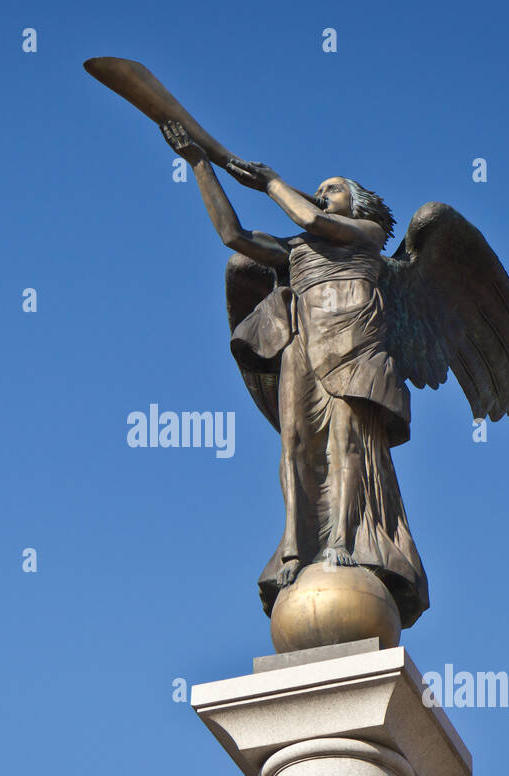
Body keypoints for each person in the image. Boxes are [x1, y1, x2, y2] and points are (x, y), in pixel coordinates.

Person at [161, 120, 429, 629]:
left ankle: (345, 541)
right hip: (304, 342)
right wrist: (199, 163)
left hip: (355, 342)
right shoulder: (296, 249)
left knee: (348, 443)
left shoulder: (366, 235)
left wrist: (269, 181)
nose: (323, 193)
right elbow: (232, 235)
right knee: (295, 443)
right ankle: (293, 545)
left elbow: (312, 216)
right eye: (322, 188)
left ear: (359, 204)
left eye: (334, 188)